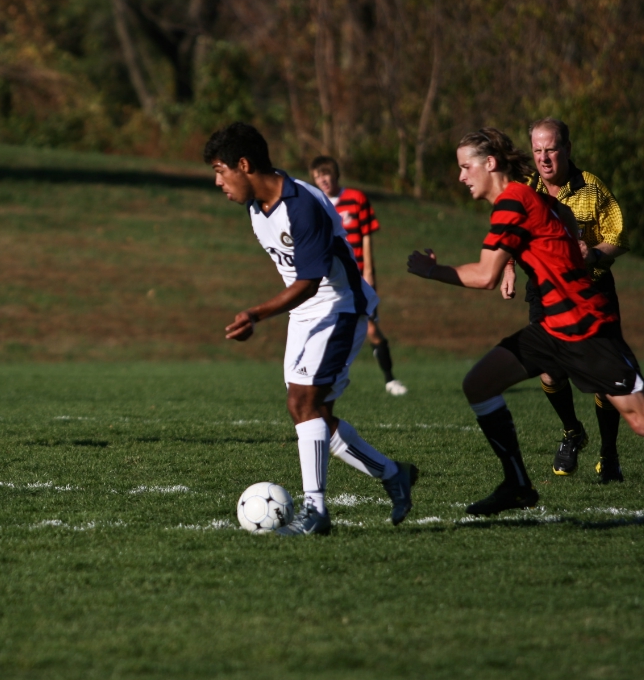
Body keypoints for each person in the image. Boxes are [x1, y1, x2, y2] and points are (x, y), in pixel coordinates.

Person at [407, 128, 644, 516]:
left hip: (584, 327)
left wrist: (432, 271)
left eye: (466, 167)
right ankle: (517, 484)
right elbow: (563, 221)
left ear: (490, 163)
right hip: (553, 327)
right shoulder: (530, 196)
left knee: (639, 420)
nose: (462, 176)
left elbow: (486, 276)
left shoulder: (514, 200)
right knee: (480, 383)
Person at [205, 122, 417, 535]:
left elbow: (311, 281)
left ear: (244, 165)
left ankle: (316, 512)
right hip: (304, 314)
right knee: (314, 414)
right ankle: (393, 474)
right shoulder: (255, 205)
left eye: (220, 170)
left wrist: (256, 314)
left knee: (301, 405)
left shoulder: (302, 206)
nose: (217, 181)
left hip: (338, 308)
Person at [499, 118, 628, 482]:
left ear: (567, 149)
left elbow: (618, 237)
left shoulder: (592, 188)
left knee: (605, 375)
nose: (544, 157)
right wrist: (507, 267)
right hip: (544, 289)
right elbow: (508, 232)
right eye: (538, 150)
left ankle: (609, 452)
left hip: (593, 289)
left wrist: (594, 255)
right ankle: (572, 432)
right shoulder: (526, 189)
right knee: (549, 368)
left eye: (551, 149)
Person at [311, 156, 407, 396]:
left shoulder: (356, 199)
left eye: (326, 174)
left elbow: (366, 236)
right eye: (317, 175)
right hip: (331, 279)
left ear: (335, 174)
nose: (322, 179)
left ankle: (390, 379)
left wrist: (369, 271)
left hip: (358, 276)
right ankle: (327, 378)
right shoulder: (316, 202)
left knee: (371, 329)